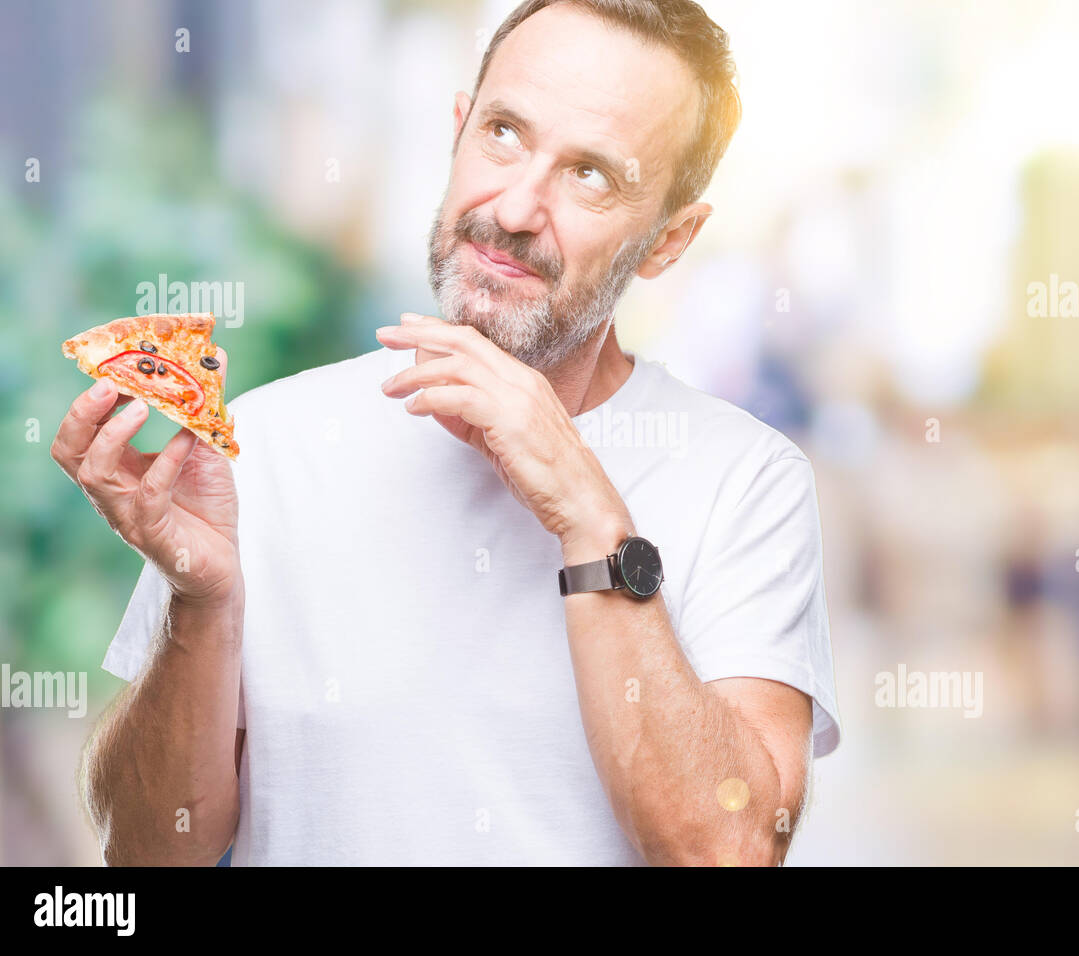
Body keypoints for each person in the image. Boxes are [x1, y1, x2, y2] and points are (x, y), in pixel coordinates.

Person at [52, 0, 840, 866]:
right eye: (503, 133)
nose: (514, 208)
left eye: (591, 176)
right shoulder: (264, 447)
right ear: (459, 129)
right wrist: (199, 608)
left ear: (669, 240)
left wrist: (591, 517)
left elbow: (730, 851)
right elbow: (143, 856)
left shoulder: (748, 481)